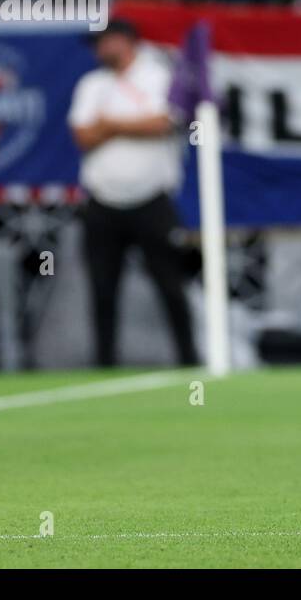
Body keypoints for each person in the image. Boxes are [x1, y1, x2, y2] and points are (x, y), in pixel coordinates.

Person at [68, 19, 197, 367]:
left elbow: (163, 122)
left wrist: (109, 124)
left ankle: (189, 359)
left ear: (124, 41)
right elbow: (82, 135)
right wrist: (129, 125)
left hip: (152, 199)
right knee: (102, 288)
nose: (98, 50)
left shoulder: (159, 75)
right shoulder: (92, 84)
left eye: (103, 41)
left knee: (170, 285)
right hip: (102, 201)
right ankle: (105, 363)